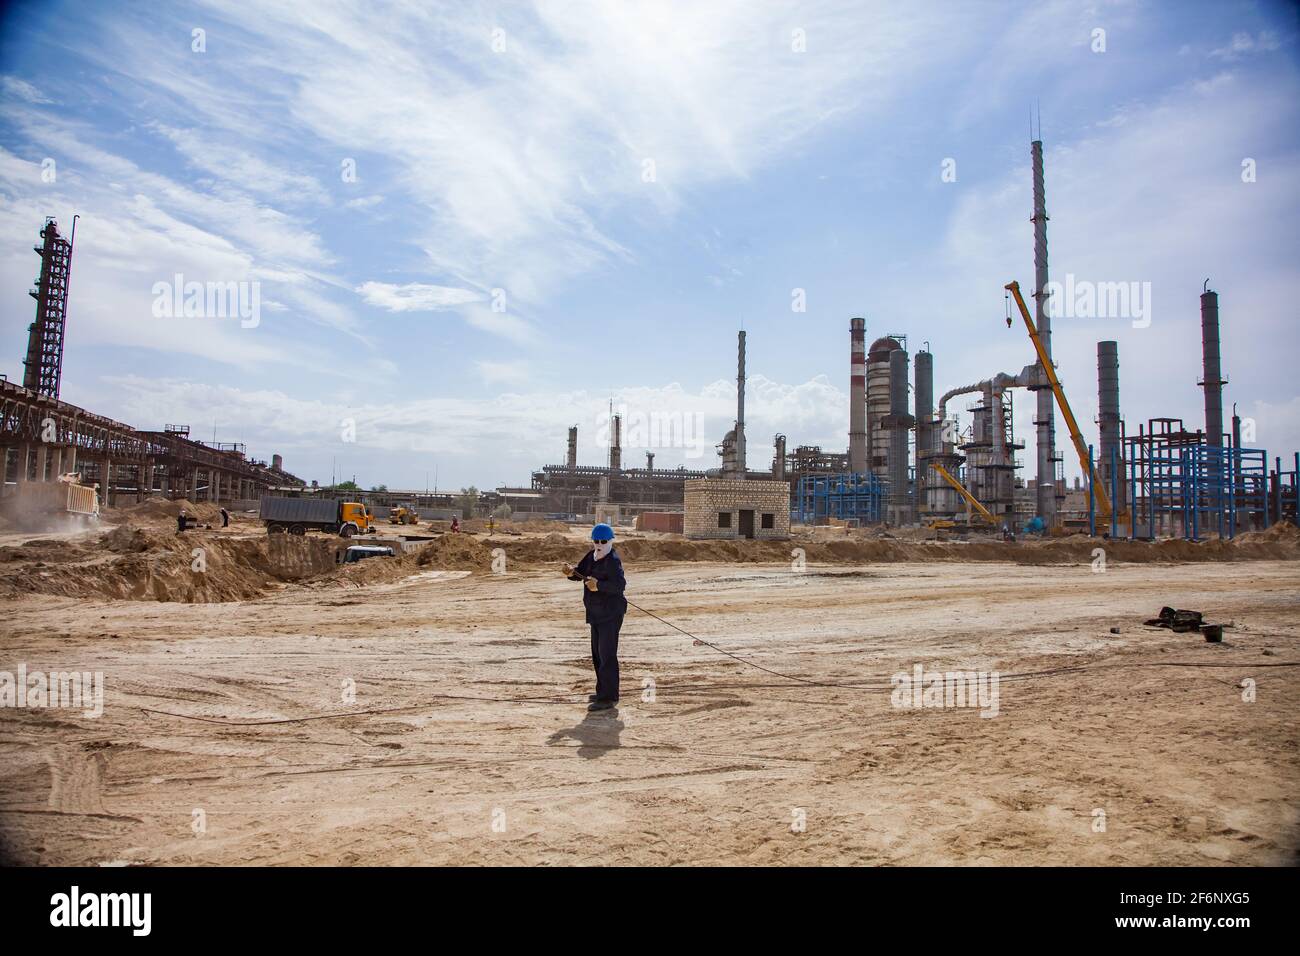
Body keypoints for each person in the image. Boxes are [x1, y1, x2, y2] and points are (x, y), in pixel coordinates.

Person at [563, 523, 626, 712]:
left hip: (611, 614)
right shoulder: (591, 556)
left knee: (607, 655)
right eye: (596, 541)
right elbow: (580, 573)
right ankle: (603, 691)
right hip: (595, 614)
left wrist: (599, 586)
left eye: (603, 541)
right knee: (598, 655)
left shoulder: (613, 561)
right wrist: (570, 572)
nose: (599, 544)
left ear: (609, 541)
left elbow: (619, 586)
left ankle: (608, 697)